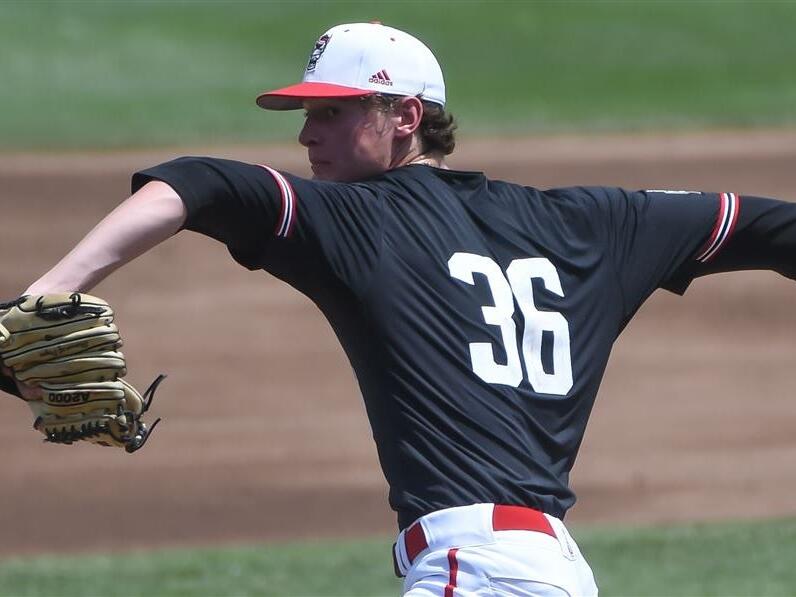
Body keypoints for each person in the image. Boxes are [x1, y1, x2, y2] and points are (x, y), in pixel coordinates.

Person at [7, 21, 796, 596]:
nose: (308, 136)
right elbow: (763, 224)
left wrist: (46, 294)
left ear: (405, 117)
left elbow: (196, 183)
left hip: (475, 573)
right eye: (306, 116)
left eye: (333, 113)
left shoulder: (361, 221)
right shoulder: (592, 222)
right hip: (552, 571)